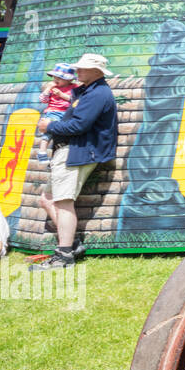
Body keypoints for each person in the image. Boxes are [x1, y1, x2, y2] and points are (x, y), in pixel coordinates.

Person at [33, 53, 119, 271]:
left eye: (83, 68)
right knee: (48, 199)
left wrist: (48, 127)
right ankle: (71, 245)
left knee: (63, 201)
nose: (78, 71)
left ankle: (63, 256)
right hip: (71, 150)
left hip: (77, 152)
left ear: (97, 72)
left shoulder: (98, 94)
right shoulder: (87, 91)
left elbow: (78, 126)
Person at [35, 62, 79, 163]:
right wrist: (47, 89)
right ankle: (42, 151)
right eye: (54, 77)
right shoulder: (52, 87)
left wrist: (61, 94)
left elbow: (74, 100)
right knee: (49, 130)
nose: (56, 80)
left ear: (69, 79)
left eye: (59, 78)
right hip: (53, 112)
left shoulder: (74, 88)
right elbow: (43, 100)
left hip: (67, 113)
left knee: (63, 133)